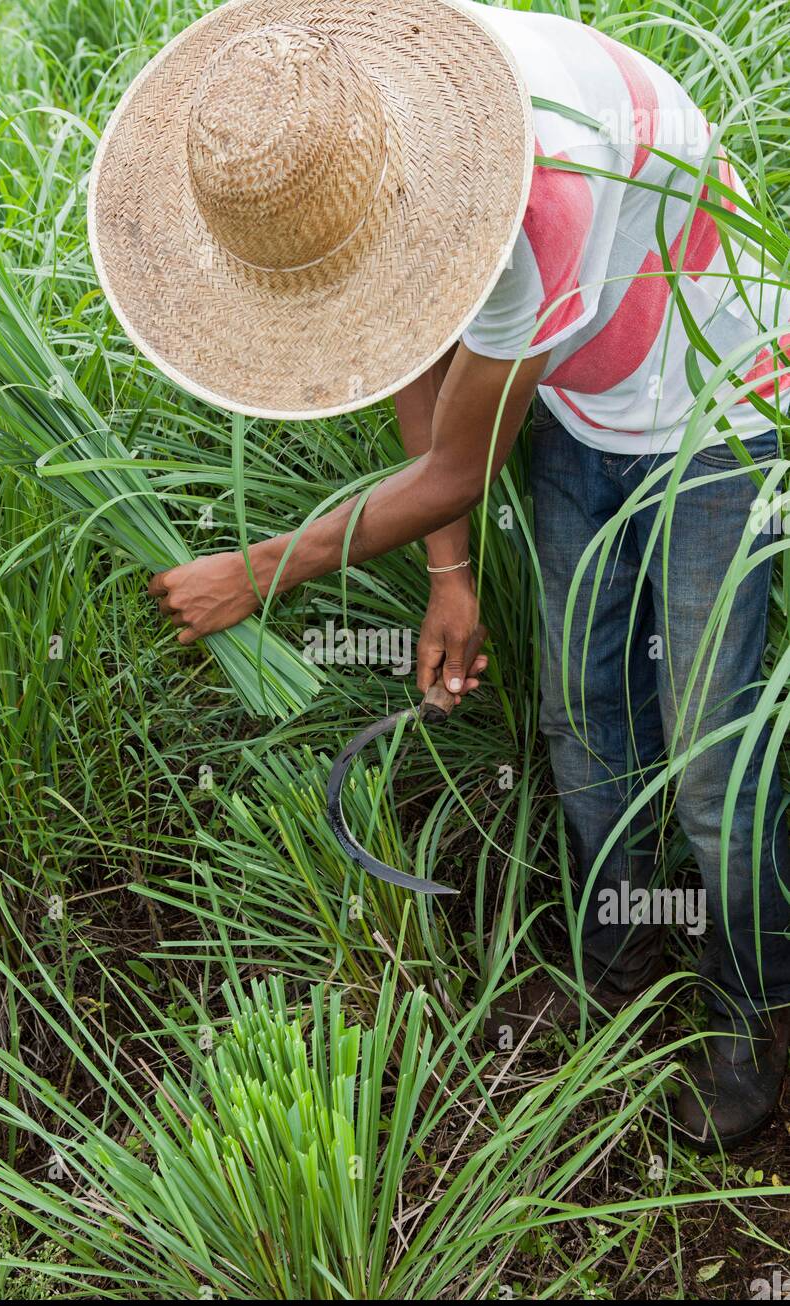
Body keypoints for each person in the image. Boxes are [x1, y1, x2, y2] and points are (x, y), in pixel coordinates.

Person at [89, 0, 790, 1149]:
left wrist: (260, 575)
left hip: (717, 401)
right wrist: (449, 580)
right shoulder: (359, 107)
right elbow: (406, 340)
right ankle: (617, 965)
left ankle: (748, 1014)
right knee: (578, 714)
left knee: (711, 763)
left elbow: (458, 464)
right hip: (578, 394)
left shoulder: (536, 180)